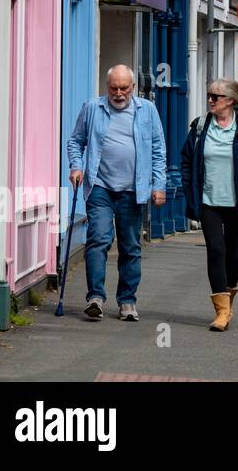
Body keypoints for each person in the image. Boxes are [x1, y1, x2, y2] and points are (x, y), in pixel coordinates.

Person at [66, 65, 167, 323]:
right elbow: (75, 141)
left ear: (133, 87)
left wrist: (159, 185)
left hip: (134, 189)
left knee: (130, 247)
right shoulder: (92, 108)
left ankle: (127, 301)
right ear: (106, 86)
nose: (119, 93)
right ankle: (95, 298)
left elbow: (158, 150)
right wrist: (76, 166)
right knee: (98, 239)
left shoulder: (148, 111)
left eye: (124, 88)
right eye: (114, 88)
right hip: (99, 186)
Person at [180, 79, 238, 332]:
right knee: (216, 250)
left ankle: (229, 292)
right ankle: (222, 311)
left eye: (215, 97)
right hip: (208, 201)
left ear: (230, 100)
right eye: (209, 96)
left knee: (233, 255)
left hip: (237, 202)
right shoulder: (200, 126)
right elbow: (186, 160)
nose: (210, 100)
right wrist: (189, 188)